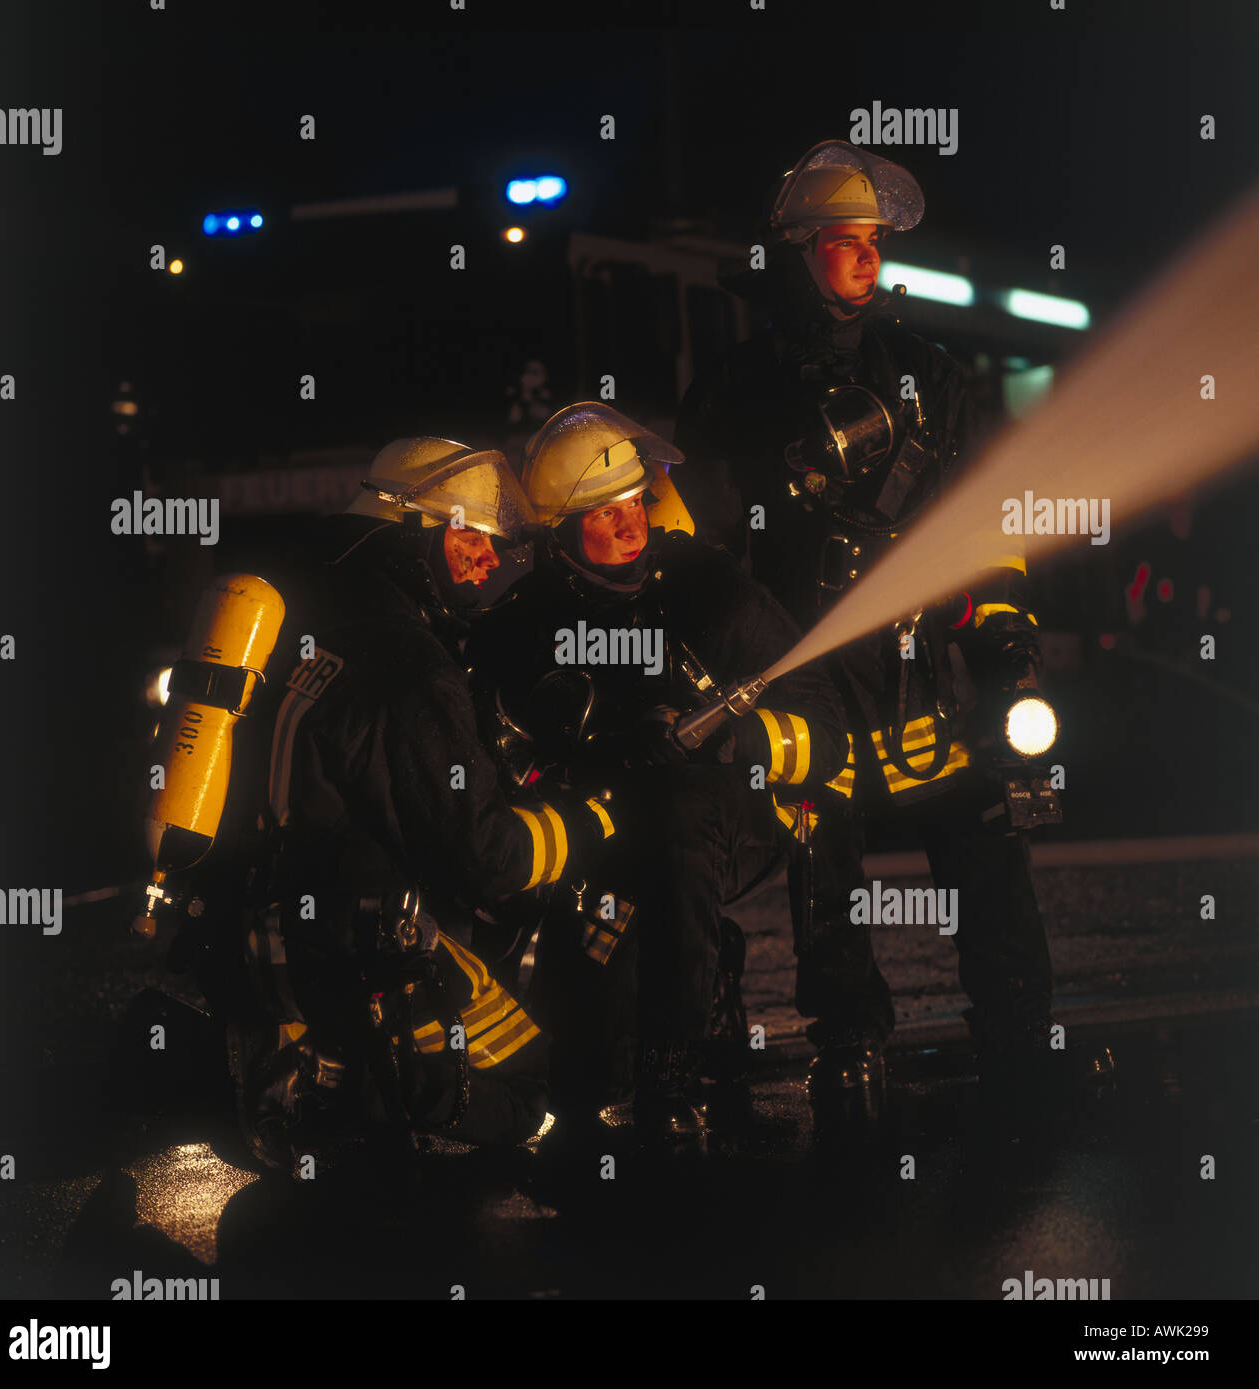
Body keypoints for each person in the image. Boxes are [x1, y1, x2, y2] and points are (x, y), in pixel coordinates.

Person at [675, 139, 1104, 1119]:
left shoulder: (931, 376)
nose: (867, 258)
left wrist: (1004, 647)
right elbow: (700, 557)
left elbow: (979, 531)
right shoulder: (730, 396)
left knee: (989, 846)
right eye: (843, 242)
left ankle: (1019, 1040)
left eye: (872, 241)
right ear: (796, 254)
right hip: (807, 673)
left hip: (925, 673)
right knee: (826, 867)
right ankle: (850, 1050)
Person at [167, 438, 619, 1166]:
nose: (486, 561)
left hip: (248, 945)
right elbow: (490, 861)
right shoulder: (408, 665)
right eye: (469, 537)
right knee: (531, 1084)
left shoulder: (295, 612)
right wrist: (588, 819)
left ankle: (243, 1062)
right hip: (351, 961)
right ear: (418, 533)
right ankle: (347, 1083)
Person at [466, 402, 850, 1147]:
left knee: (681, 817)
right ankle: (693, 976)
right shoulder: (524, 620)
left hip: (725, 821)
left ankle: (672, 1076)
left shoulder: (708, 589)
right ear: (562, 531)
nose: (629, 524)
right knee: (577, 1080)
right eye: (604, 514)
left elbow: (826, 731)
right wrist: (604, 753)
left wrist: (732, 738)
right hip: (601, 842)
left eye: (635, 501)